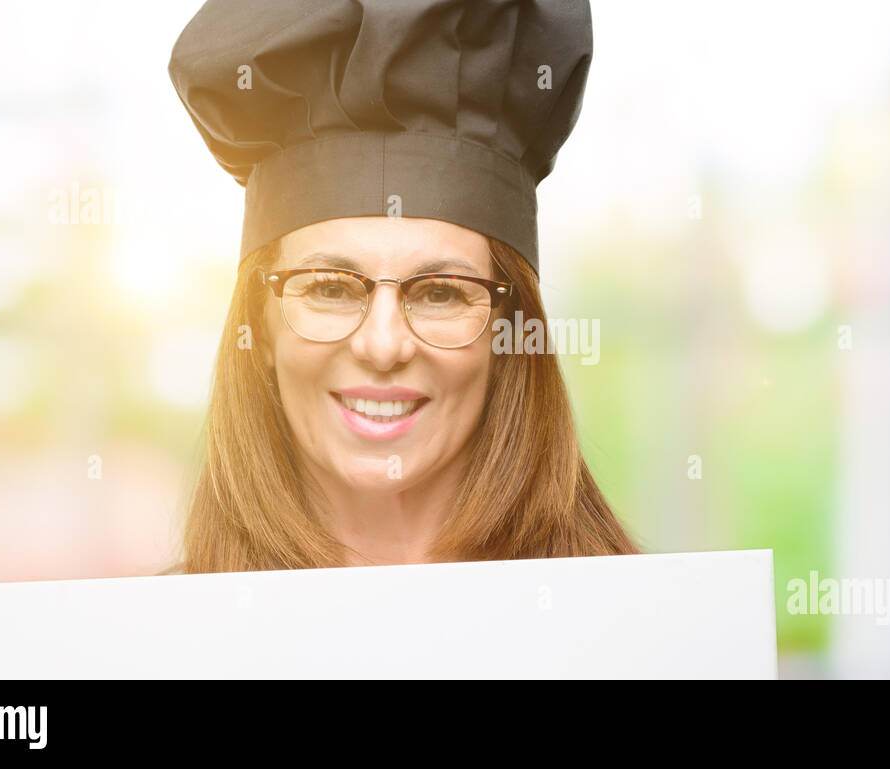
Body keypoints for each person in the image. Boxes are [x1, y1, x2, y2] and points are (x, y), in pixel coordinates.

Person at [163, 0, 640, 572]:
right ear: (258, 329)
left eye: (439, 292)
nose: (383, 346)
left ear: (510, 337)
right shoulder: (156, 648)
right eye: (330, 288)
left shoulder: (650, 639)